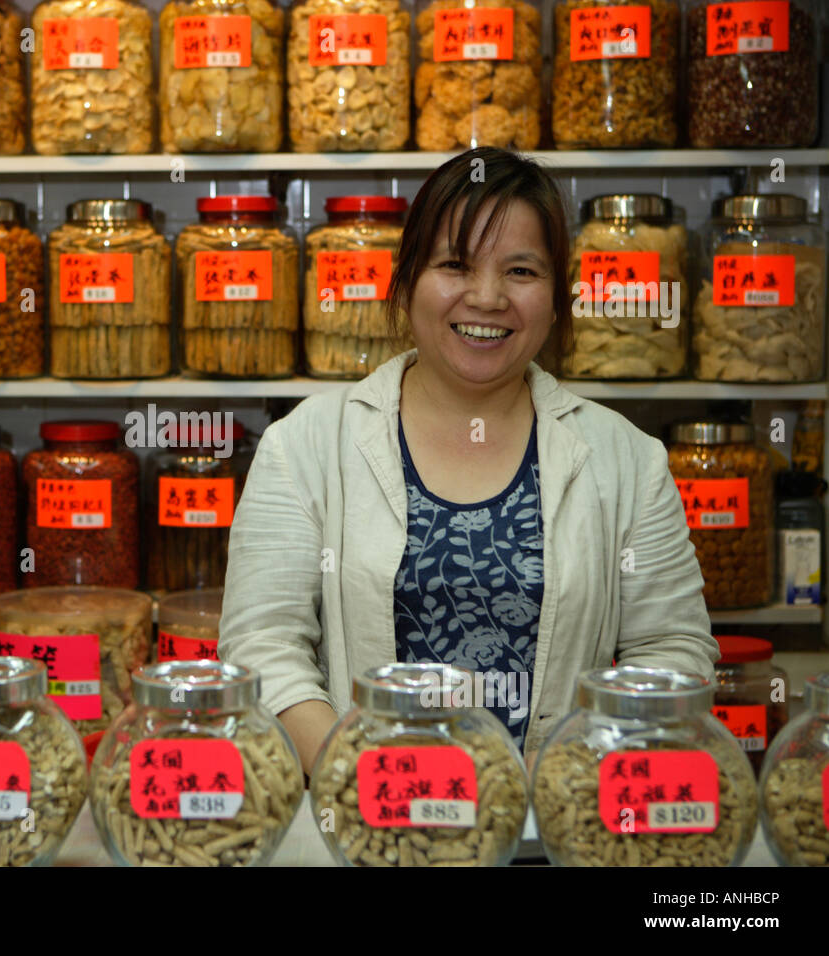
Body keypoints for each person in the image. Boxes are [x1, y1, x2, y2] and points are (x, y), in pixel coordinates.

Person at [219, 147, 717, 774]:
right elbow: (263, 645)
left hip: (554, 815)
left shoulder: (628, 460)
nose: (487, 297)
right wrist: (370, 776)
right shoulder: (304, 446)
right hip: (366, 812)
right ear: (406, 283)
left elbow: (672, 648)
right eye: (455, 265)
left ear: (557, 298)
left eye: (522, 271)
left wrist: (577, 780)